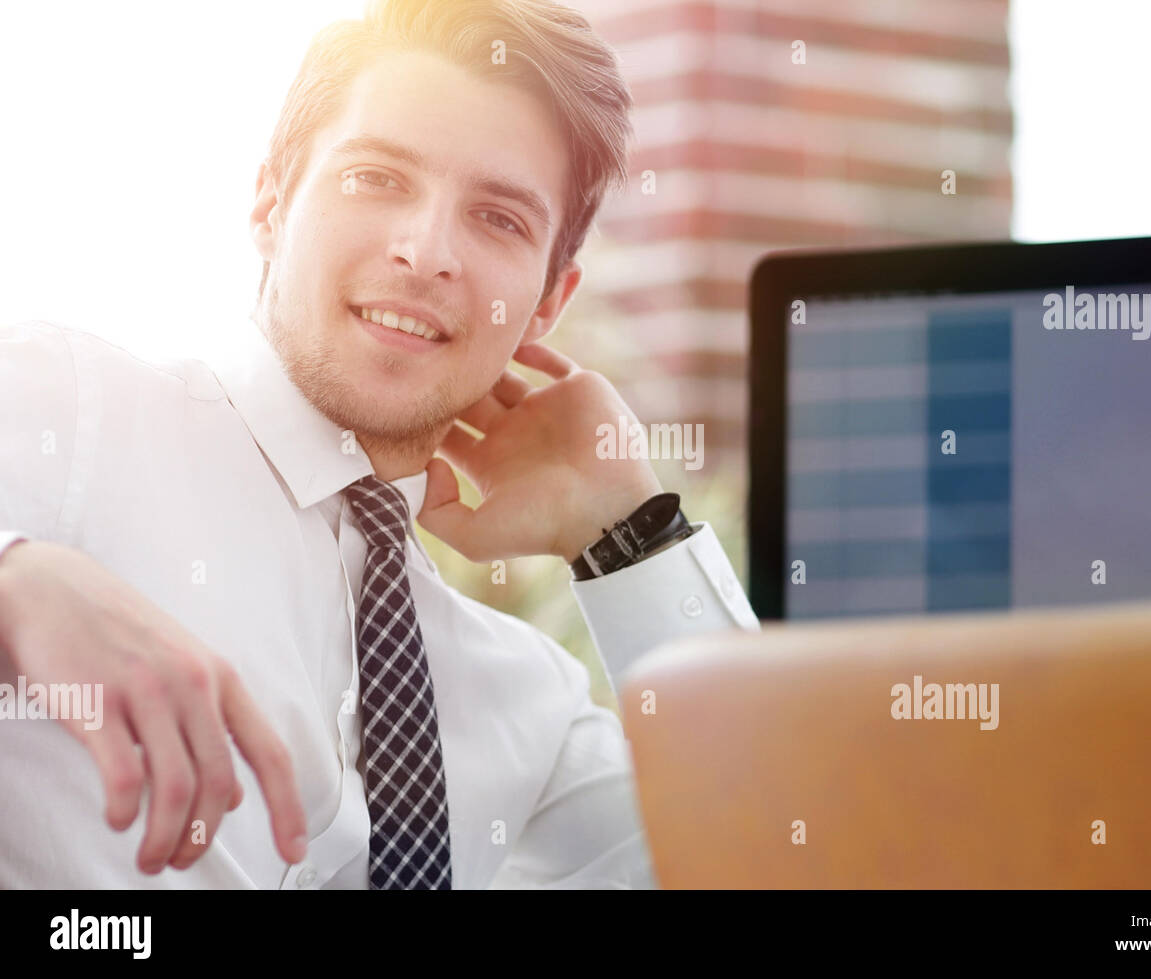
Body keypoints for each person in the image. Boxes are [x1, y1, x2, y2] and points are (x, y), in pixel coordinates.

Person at [0, 0, 758, 889]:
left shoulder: (528, 708)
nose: (426, 250)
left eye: (499, 219)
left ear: (549, 302)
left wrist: (632, 536)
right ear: (270, 204)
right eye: (376, 178)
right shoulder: (62, 409)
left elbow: (789, 852)